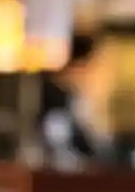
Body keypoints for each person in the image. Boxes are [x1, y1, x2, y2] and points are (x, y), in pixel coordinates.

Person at [40, 34, 114, 166]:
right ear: (79, 65)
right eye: (96, 65)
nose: (100, 73)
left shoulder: (76, 101)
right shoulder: (55, 100)